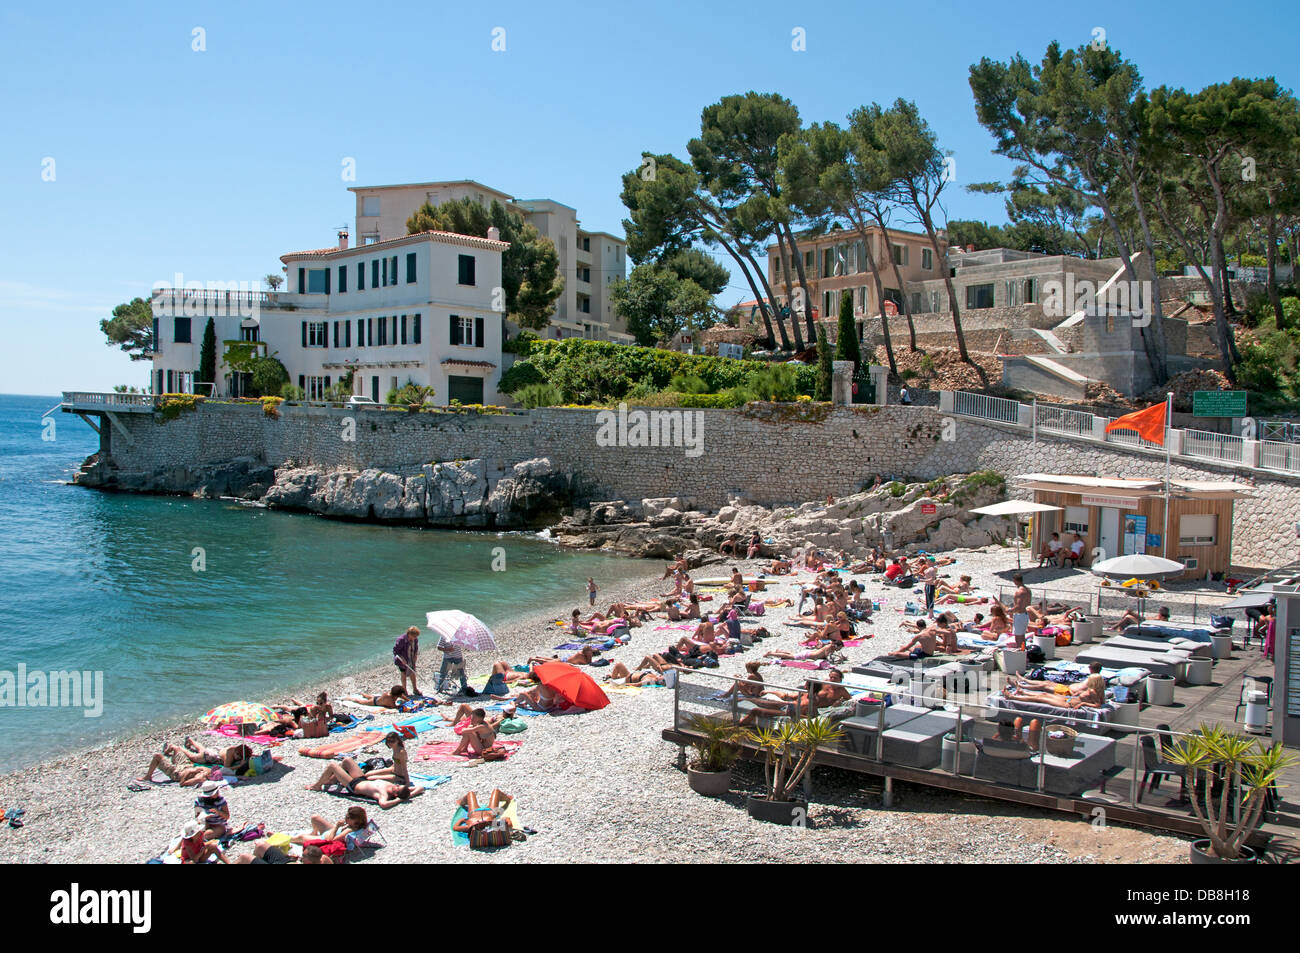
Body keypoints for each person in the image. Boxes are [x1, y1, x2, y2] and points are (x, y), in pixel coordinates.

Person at [305, 757, 424, 809]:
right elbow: (420, 788)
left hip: (354, 786)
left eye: (397, 788)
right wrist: (407, 796)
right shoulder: (394, 788)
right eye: (398, 785)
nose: (396, 785)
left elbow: (383, 804)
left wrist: (399, 800)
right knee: (347, 760)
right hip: (362, 779)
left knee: (332, 766)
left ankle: (317, 786)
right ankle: (332, 780)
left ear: (396, 794)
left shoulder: (384, 794)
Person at [139, 748, 213, 787]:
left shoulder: (199, 778)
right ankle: (167, 752)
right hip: (186, 765)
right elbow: (205, 769)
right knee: (177, 749)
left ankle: (148, 776)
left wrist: (190, 771)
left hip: (177, 773)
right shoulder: (208, 771)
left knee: (157, 756)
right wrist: (194, 769)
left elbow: (182, 783)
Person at [175, 738, 251, 772]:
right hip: (211, 756)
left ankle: (191, 741)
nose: (238, 759)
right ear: (237, 753)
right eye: (239, 757)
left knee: (202, 749)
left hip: (215, 750)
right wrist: (240, 766)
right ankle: (178, 748)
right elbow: (226, 769)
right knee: (192, 757)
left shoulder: (234, 749)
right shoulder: (230, 756)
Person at [435, 629, 470, 696]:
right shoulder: (443, 636)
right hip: (447, 657)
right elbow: (439, 647)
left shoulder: (459, 635)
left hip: (458, 656)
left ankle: (464, 687)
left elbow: (464, 643)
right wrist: (447, 649)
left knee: (461, 673)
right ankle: (439, 687)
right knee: (443, 672)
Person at [393, 626, 421, 696]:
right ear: (409, 634)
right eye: (414, 636)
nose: (415, 638)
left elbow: (416, 648)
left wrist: (415, 656)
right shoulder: (401, 639)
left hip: (411, 658)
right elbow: (395, 651)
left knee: (413, 672)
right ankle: (404, 691)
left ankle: (415, 689)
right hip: (402, 660)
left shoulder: (415, 639)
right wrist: (402, 658)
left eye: (416, 636)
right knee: (404, 673)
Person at [1009, 574, 1031, 649]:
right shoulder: (1028, 590)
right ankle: (1023, 651)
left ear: (1015, 581)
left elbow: (1018, 606)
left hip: (1019, 615)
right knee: (1022, 636)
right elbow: (1028, 603)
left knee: (1018, 637)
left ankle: (1020, 652)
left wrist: (1010, 610)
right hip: (1025, 614)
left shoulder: (1019, 592)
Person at [344, 685, 408, 709]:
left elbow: (402, 696)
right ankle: (349, 698)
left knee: (368, 696)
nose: (400, 696)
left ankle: (362, 694)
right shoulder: (388, 698)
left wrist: (408, 700)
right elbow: (393, 706)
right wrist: (401, 706)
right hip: (374, 702)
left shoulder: (392, 693)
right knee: (360, 701)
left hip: (377, 698)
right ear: (396, 694)